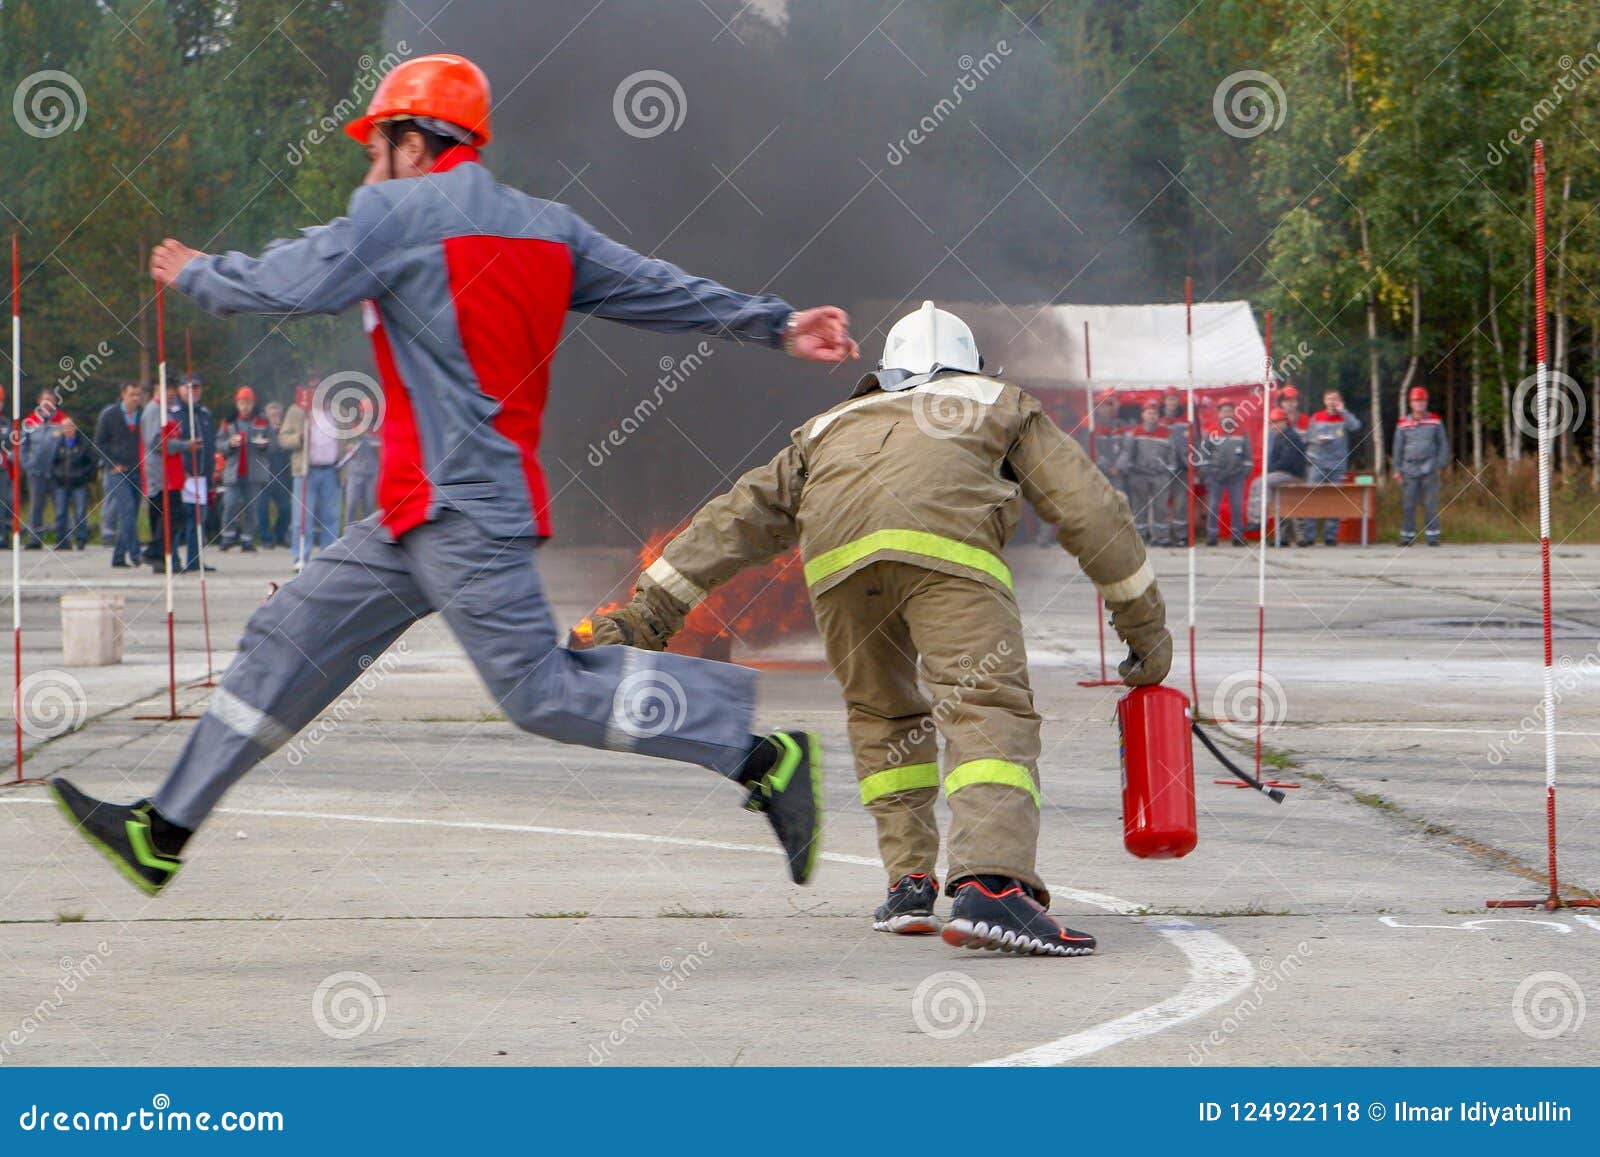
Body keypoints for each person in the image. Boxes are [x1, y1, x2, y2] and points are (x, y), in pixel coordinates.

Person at [49, 52, 858, 901]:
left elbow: (290, 280)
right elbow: (656, 289)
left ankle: (757, 750)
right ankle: (164, 828)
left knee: (540, 692)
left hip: (460, 512)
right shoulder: (550, 225)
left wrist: (198, 273)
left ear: (413, 140)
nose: (371, 166)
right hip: (415, 513)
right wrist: (776, 324)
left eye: (377, 146)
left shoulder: (390, 216)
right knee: (286, 635)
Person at [586, 303, 1169, 956]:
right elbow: (1094, 512)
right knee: (983, 706)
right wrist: (1145, 634)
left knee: (885, 715)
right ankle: (993, 886)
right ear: (968, 363)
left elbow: (732, 521)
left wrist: (642, 619)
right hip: (948, 554)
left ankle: (908, 883)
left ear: (887, 372)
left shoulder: (829, 424)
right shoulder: (998, 401)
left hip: (839, 570)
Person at [277, 379, 342, 569]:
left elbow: (348, 436)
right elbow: (282, 438)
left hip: (332, 470)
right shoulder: (298, 411)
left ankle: (328, 557)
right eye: (314, 390)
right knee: (302, 518)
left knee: (331, 516)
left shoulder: (337, 411)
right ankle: (300, 557)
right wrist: (299, 437)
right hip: (306, 471)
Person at [1299, 389, 1362, 546]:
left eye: (1335, 399)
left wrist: (1344, 411)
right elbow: (1308, 437)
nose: (1332, 402)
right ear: (1324, 401)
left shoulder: (1344, 417)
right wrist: (1317, 440)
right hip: (1318, 464)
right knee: (1312, 498)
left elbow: (1356, 426)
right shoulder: (1317, 417)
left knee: (1335, 500)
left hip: (1338, 464)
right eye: (1329, 399)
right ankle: (1309, 536)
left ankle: (1330, 536)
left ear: (1340, 400)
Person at [93, 382, 145, 567]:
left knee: (131, 514)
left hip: (137, 470)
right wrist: (111, 463)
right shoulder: (110, 415)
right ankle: (136, 553)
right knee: (127, 510)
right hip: (117, 471)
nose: (135, 398)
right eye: (132, 394)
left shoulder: (143, 415)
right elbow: (99, 442)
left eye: (138, 395)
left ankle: (118, 557)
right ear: (123, 394)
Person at [168, 376, 216, 573]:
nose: (193, 392)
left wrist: (211, 470)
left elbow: (210, 444)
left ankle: (194, 560)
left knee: (198, 518)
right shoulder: (175, 414)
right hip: (184, 475)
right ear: (180, 390)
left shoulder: (204, 414)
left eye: (196, 388)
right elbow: (173, 444)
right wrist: (183, 470)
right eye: (188, 388)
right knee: (181, 517)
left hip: (202, 475)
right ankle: (174, 560)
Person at [1393, 385, 1449, 546]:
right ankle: (1407, 536)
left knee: (1430, 503)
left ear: (1426, 402)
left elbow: (1442, 444)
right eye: (1417, 401)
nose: (1420, 404)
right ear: (1411, 403)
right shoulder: (1403, 423)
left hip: (1430, 468)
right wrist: (1397, 469)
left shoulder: (1435, 421)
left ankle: (1432, 537)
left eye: (1422, 401)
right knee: (1408, 504)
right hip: (1409, 469)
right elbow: (1397, 448)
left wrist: (1439, 463)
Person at [1117, 399, 1175, 545]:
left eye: (1155, 413)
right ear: (1143, 415)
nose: (1152, 416)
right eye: (1149, 413)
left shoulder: (1167, 433)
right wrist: (1122, 468)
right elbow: (1126, 453)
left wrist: (1169, 470)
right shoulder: (1134, 433)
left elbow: (1172, 454)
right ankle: (1140, 537)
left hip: (1160, 476)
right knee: (1139, 508)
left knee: (1161, 508)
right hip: (1139, 475)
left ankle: (1161, 538)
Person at [219, 386, 270, 551]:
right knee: (230, 505)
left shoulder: (262, 421)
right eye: (242, 403)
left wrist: (264, 446)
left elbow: (275, 445)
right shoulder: (229, 422)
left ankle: (247, 539)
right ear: (237, 404)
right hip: (233, 472)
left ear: (253, 403)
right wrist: (229, 444)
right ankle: (228, 537)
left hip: (254, 473)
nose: (245, 406)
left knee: (252, 508)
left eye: (248, 403)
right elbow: (219, 444)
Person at [1199, 401, 1251, 546]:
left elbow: (1248, 454)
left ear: (1234, 413)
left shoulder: (1242, 431)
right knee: (1214, 505)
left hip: (1236, 475)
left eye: (1230, 410)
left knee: (1237, 505)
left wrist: (1245, 471)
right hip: (1216, 475)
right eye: (1224, 411)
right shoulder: (1212, 431)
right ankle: (1212, 535)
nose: (1227, 413)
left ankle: (1237, 536)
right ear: (1219, 413)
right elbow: (1204, 453)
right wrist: (1208, 472)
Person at [20, 387, 66, 549]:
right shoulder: (30, 421)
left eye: (51, 401)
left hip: (56, 472)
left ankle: (63, 538)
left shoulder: (62, 420)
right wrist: (27, 464)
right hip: (35, 472)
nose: (48, 404)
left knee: (60, 505)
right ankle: (35, 539)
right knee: (36, 506)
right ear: (39, 402)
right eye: (45, 400)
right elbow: (22, 446)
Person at [46, 416, 95, 549]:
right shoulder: (58, 444)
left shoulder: (84, 443)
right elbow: (53, 462)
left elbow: (90, 462)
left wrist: (83, 475)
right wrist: (57, 475)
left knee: (80, 512)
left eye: (70, 427)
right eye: (64, 427)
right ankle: (62, 540)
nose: (67, 430)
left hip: (79, 483)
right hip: (61, 483)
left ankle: (81, 539)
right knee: (61, 512)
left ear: (75, 427)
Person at [1159, 386, 1192, 546]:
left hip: (1182, 469)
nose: (1172, 402)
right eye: (1169, 399)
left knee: (1181, 504)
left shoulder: (1186, 421)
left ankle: (1180, 536)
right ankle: (1162, 536)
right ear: (1164, 401)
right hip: (1162, 470)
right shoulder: (1158, 421)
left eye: (1175, 399)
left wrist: (1192, 463)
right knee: (1161, 503)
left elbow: (1195, 442)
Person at [258, 400, 292, 547]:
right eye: (272, 415)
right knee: (262, 508)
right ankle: (266, 538)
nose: (275, 418)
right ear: (266, 416)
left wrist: (279, 434)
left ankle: (280, 534)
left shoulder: (286, 430)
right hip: (263, 476)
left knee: (286, 508)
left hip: (281, 476)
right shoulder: (260, 429)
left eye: (278, 415)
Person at [341, 405, 381, 526]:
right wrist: (348, 447)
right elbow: (344, 446)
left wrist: (378, 447)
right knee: (351, 505)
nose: (366, 415)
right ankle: (348, 534)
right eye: (364, 412)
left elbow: (384, 451)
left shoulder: (377, 430)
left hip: (372, 473)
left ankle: (367, 537)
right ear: (360, 413)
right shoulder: (353, 428)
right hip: (355, 473)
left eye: (369, 412)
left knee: (369, 506)